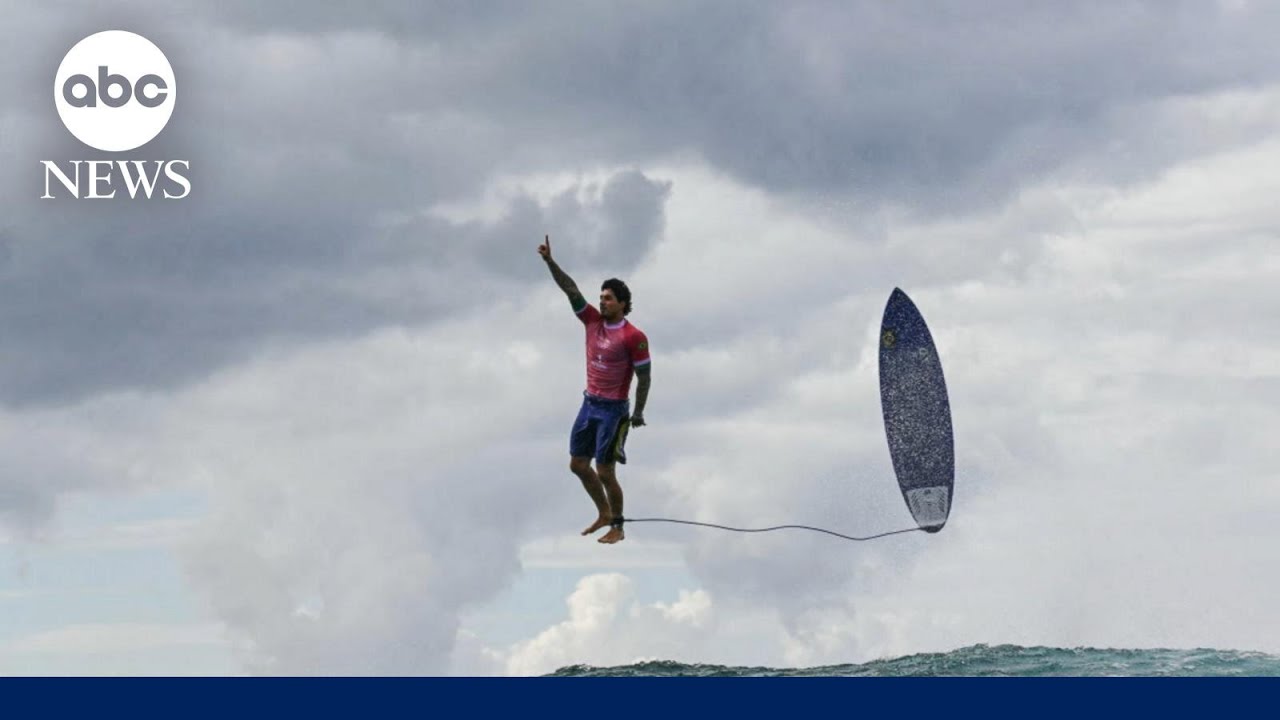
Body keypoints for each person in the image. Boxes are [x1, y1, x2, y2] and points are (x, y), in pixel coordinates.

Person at [538, 234, 651, 544]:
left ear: (623, 304)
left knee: (605, 471)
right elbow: (571, 289)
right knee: (577, 465)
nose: (602, 302)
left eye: (609, 298)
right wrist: (550, 262)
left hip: (614, 410)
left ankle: (618, 526)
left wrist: (638, 412)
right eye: (601, 297)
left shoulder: (633, 336)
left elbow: (644, 377)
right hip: (589, 404)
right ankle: (603, 513)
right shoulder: (591, 321)